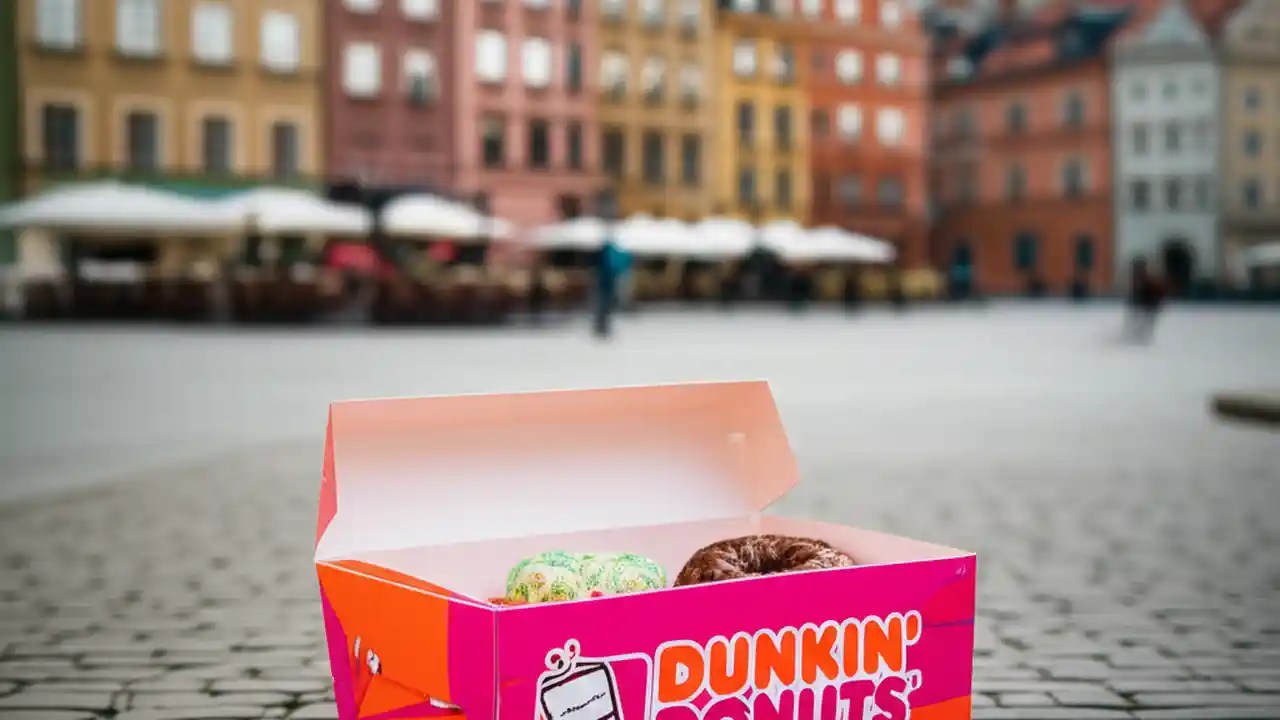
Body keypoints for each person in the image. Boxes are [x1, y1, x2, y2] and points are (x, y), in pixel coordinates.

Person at [1126, 258, 1166, 343]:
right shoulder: (1140, 280)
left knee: (1144, 322)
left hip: (1148, 306)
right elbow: (1135, 295)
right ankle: (1138, 336)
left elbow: (1155, 295)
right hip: (1144, 306)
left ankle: (1141, 337)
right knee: (1141, 322)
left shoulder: (1146, 281)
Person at [593, 239, 626, 339]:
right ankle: (602, 327)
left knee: (604, 307)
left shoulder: (606, 255)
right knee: (604, 307)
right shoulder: (610, 255)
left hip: (605, 284)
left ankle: (602, 327)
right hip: (606, 284)